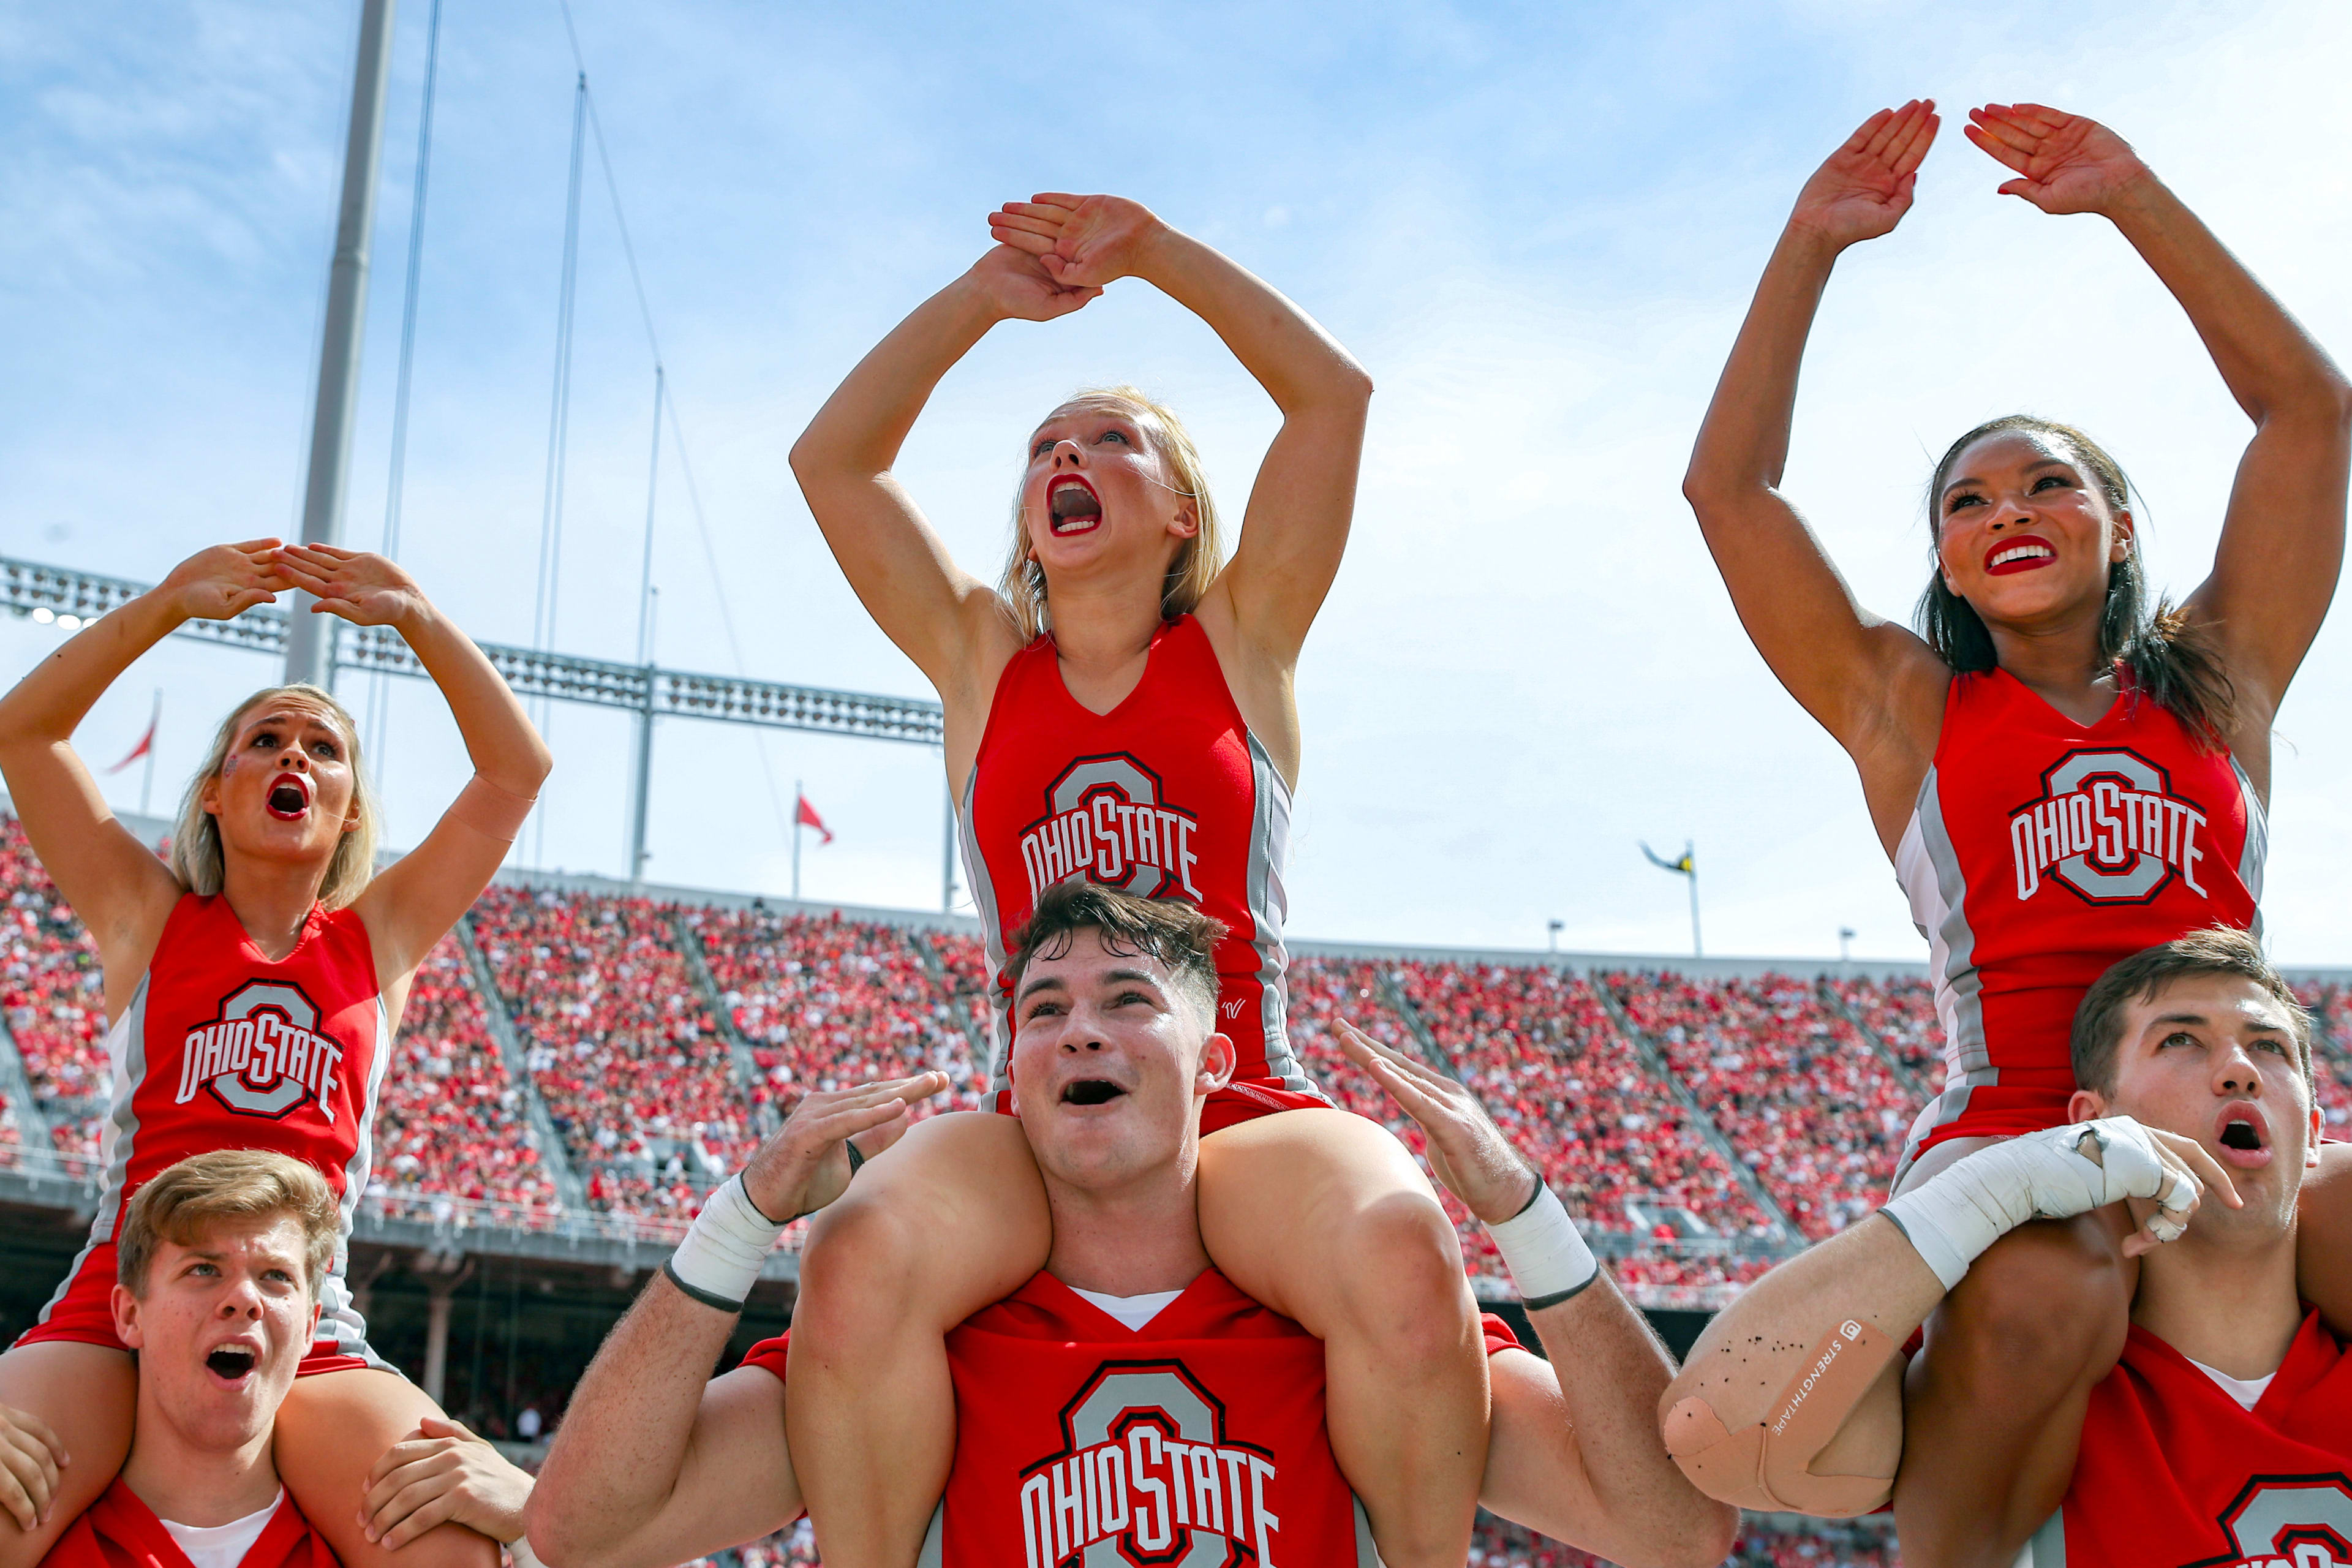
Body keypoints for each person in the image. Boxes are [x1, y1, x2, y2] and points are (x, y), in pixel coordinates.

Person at [1679, 99, 2352, 1559]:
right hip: (2010, 1126)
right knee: (2051, 1290)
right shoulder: (1902, 703)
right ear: (1943, 560)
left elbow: (2308, 412)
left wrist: (2135, 201)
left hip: (2220, 1105)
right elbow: (1726, 492)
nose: (2008, 509)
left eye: (2048, 479)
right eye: (1965, 500)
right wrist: (1808, 245)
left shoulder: (2217, 681)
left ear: (2115, 518)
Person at [788, 195, 1485, 1564]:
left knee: (1404, 1245)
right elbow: (833, 465)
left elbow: (1331, 398)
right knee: (855, 1249)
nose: (1070, 452)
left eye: (1114, 439)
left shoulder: (1245, 635)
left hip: (1245, 1103)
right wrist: (979, 302)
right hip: (1035, 1116)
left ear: (1180, 510)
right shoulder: (984, 659)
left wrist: (1154, 253)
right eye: (1047, 443)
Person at [526, 880, 1736, 1568]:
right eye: (1043, 1008)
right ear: (1013, 1070)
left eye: (1126, 1001)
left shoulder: (1350, 1320)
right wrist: (739, 1220)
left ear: (1215, 1063)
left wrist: (1526, 1216)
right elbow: (586, 1530)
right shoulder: (911, 1340)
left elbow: (1680, 1528)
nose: (1082, 1029)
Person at [0, 540, 552, 1568]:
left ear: (347, 811)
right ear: (214, 791)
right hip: (116, 1305)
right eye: (266, 740)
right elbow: (26, 734)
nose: (296, 756)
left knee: (449, 1545)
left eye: (324, 748)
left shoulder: (379, 940)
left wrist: (420, 620)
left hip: (311, 1321)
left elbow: (515, 770)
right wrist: (167, 604)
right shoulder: (147, 918)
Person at [1657, 928, 2350, 1566]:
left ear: (2314, 1127)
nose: (2238, 1070)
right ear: (2094, 1119)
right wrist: (1991, 1189)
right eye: (2180, 1040)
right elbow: (1714, 1424)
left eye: (2269, 1046)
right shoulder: (2028, 1385)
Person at [31, 1149, 532, 1568]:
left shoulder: (399, 1545)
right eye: (204, 1269)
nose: (244, 1298)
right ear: (130, 1314)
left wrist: (536, 1523)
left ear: (311, 1327)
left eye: (276, 1276)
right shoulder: (31, 1539)